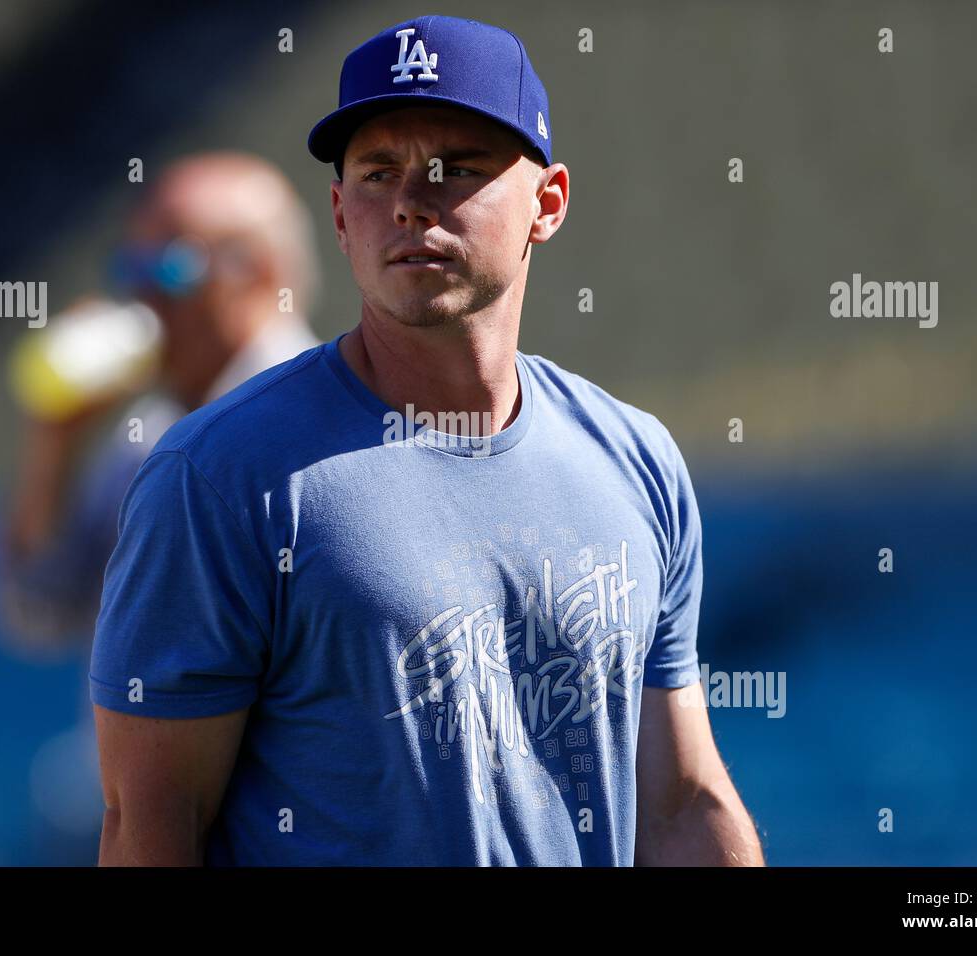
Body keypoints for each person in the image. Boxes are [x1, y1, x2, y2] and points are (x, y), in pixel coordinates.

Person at [90, 15, 764, 866]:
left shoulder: (637, 461)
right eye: (378, 172)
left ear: (547, 205)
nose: (411, 200)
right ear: (340, 215)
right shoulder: (220, 477)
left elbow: (680, 806)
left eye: (459, 168)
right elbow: (152, 825)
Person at [0, 152, 321, 655]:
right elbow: (37, 614)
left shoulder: (320, 417)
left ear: (259, 273)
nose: (142, 295)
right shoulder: (148, 434)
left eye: (170, 268)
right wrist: (57, 438)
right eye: (131, 268)